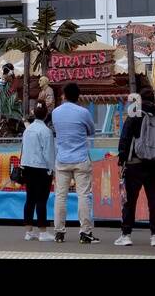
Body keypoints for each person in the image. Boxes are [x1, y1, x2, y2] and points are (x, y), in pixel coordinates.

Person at [114, 88, 155, 247]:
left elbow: (125, 137)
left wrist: (121, 160)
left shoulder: (134, 114)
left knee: (129, 201)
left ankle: (126, 234)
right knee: (153, 199)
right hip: (154, 164)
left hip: (134, 164)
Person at [51, 82, 99, 244]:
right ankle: (85, 233)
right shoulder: (83, 112)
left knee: (60, 196)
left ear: (64, 95)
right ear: (78, 96)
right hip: (80, 158)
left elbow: (57, 131)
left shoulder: (55, 113)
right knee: (83, 195)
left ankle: (59, 232)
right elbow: (91, 131)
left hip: (62, 159)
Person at [21, 102, 56, 242]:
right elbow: (48, 153)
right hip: (42, 168)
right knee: (42, 200)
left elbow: (24, 149)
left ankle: (28, 232)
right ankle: (43, 231)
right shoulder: (46, 131)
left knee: (30, 199)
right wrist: (51, 169)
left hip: (27, 167)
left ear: (33, 113)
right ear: (46, 114)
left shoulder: (27, 130)